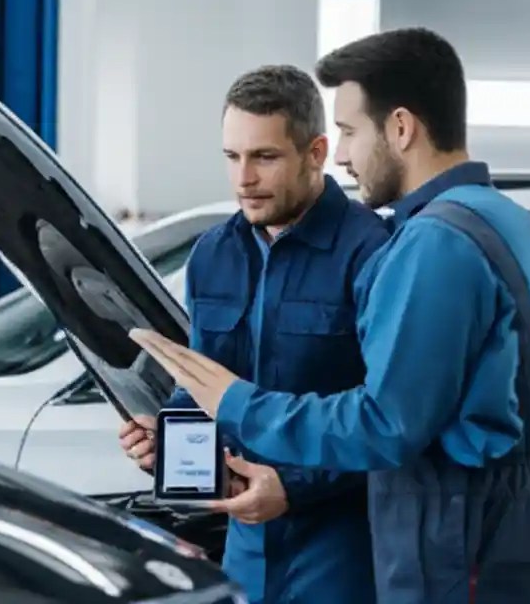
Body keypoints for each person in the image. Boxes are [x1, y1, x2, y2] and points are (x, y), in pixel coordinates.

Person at [130, 28, 530, 604]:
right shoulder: (507, 222)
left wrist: (238, 403)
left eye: (348, 131)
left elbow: (387, 422)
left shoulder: (429, 243)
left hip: (450, 531)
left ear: (400, 128)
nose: (343, 154)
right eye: (232, 156)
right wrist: (179, 446)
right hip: (502, 527)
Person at [118, 66, 387, 603]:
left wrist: (292, 488)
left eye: (264, 157)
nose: (243, 178)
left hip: (341, 547)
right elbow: (201, 384)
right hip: (244, 544)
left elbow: (392, 416)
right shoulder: (213, 254)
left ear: (315, 153)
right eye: (232, 156)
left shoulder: (372, 251)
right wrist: (168, 445)